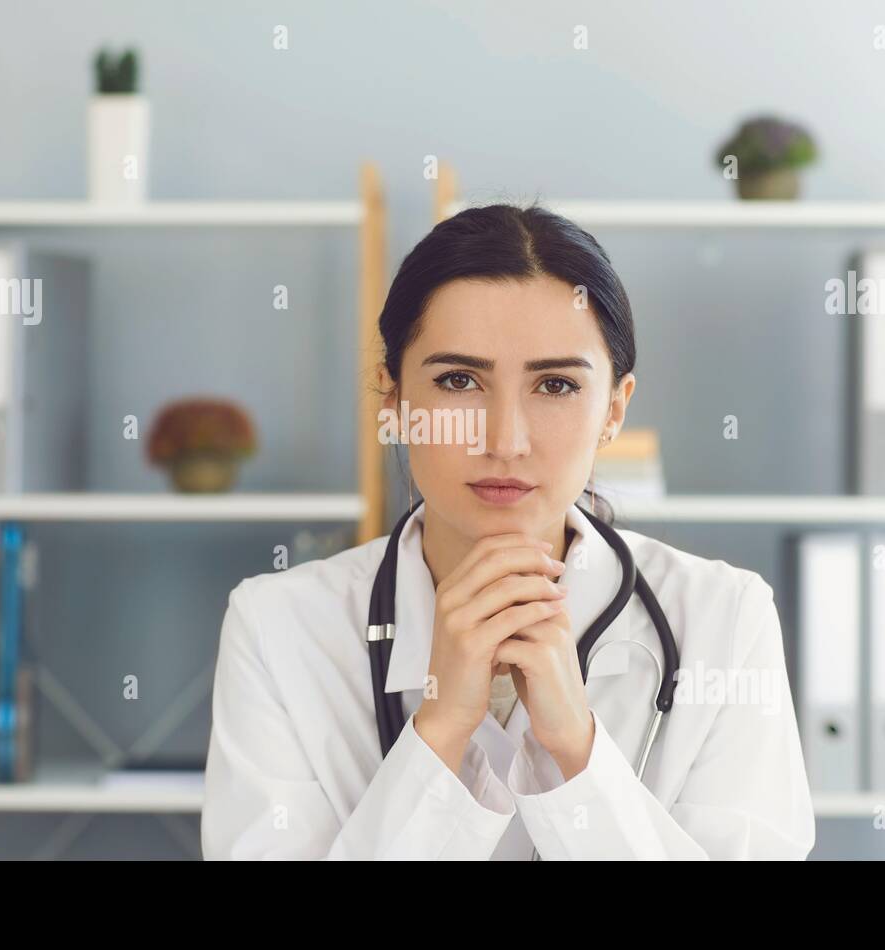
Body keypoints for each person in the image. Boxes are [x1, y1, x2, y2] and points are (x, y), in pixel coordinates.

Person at [201, 203, 815, 859]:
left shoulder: (726, 619)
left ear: (614, 409)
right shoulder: (276, 628)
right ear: (393, 400)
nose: (505, 440)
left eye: (554, 385)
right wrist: (440, 730)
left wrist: (575, 749)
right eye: (459, 380)